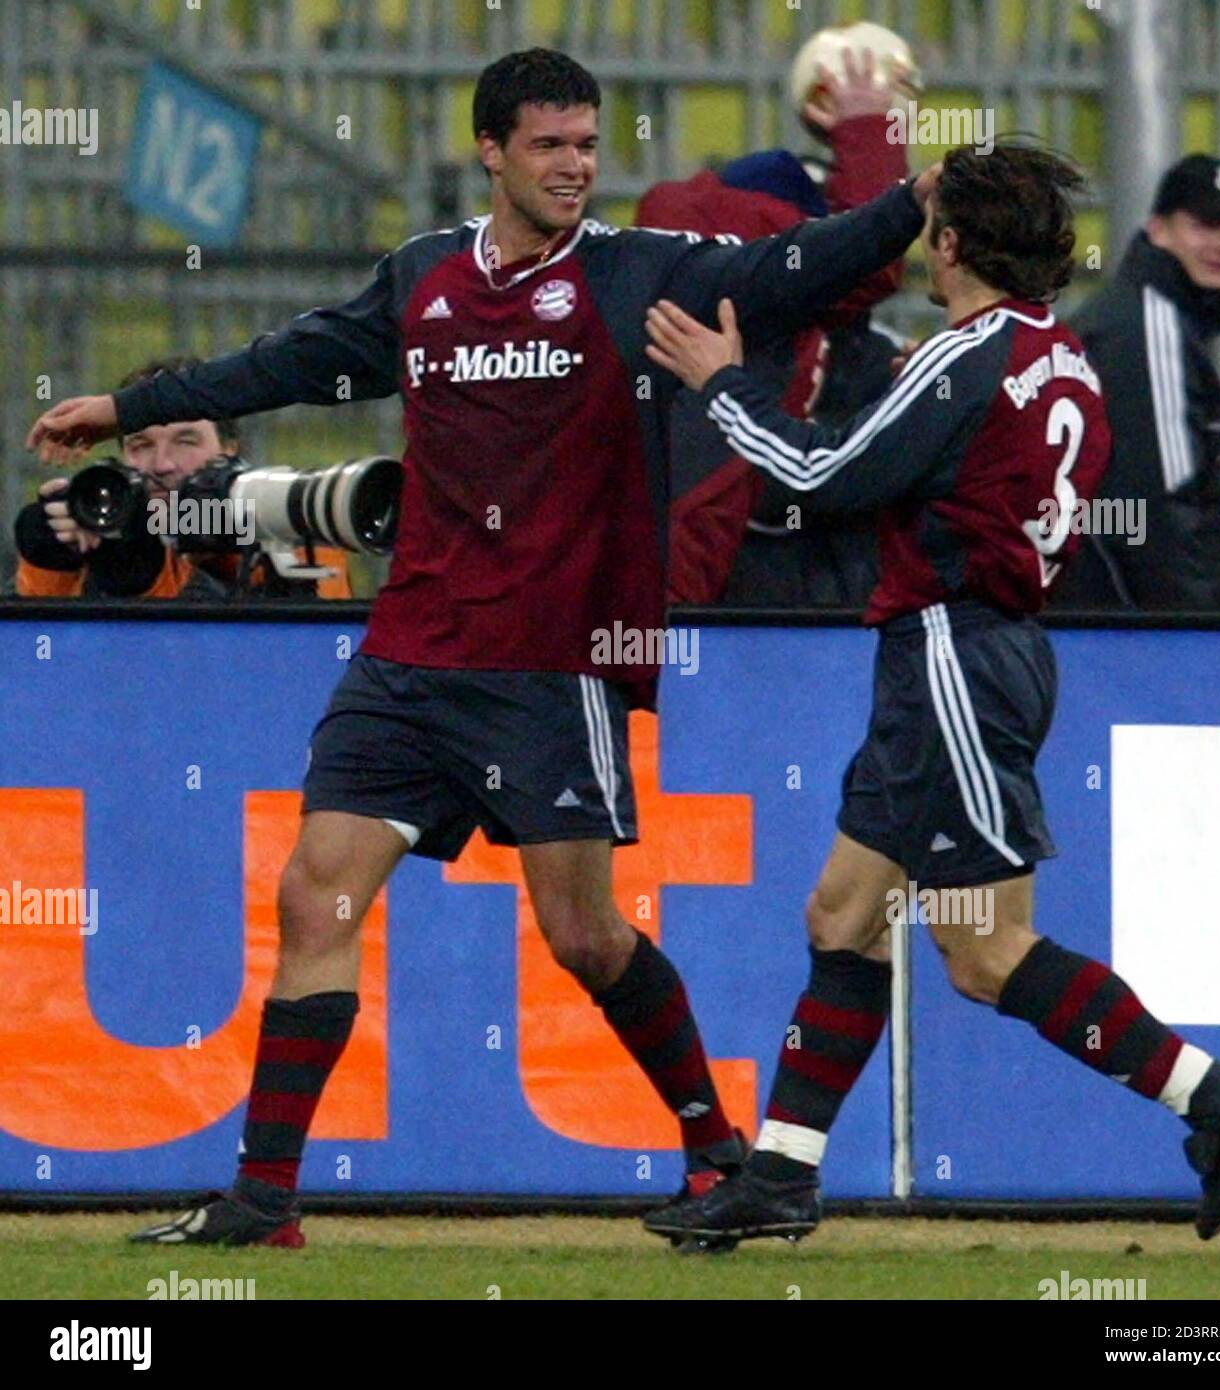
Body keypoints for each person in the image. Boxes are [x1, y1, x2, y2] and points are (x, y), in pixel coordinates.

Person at [28, 48, 938, 1246]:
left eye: (588, 144)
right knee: (315, 894)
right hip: (410, 652)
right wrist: (129, 407)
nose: (576, 166)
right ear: (493, 151)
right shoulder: (427, 280)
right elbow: (291, 362)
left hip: (550, 661)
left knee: (585, 936)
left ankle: (719, 1157)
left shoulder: (633, 276)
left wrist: (906, 206)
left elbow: (784, 271)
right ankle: (265, 1199)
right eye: (551, 145)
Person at [639, 142, 1220, 1248]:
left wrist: (722, 385)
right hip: (983, 649)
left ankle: (1218, 1099)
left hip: (952, 655)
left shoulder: (965, 357)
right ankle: (785, 1172)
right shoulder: (1067, 361)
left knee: (983, 950)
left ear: (950, 245)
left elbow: (819, 473)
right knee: (843, 912)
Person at [637, 25, 916, 607]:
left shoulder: (675, 265)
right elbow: (870, 259)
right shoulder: (769, 279)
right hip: (759, 558)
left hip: (726, 550)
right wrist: (870, 130)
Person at [1054, 154, 1220, 610]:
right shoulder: (1151, 326)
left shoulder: (1142, 315)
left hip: (1103, 620)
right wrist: (1206, 631)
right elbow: (1164, 507)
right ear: (1157, 228)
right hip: (1141, 633)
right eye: (1206, 225)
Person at [15, 357, 351, 600]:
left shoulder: (283, 517)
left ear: (230, 449)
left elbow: (300, 642)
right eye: (141, 445)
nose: (162, 464)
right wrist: (51, 554)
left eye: (186, 441)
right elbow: (38, 654)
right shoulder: (97, 524)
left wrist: (140, 567)